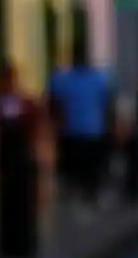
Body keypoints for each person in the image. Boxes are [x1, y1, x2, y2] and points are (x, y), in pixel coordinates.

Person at [47, 43, 114, 215]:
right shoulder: (99, 79)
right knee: (90, 171)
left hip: (74, 133)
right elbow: (107, 105)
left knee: (76, 171)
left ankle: (82, 202)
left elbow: (53, 104)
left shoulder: (61, 80)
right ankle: (88, 200)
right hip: (90, 132)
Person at [0, 61, 43, 258]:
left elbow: (35, 123)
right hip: (6, 155)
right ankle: (9, 247)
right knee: (7, 203)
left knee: (23, 202)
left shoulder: (25, 101)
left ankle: (24, 246)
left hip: (21, 154)